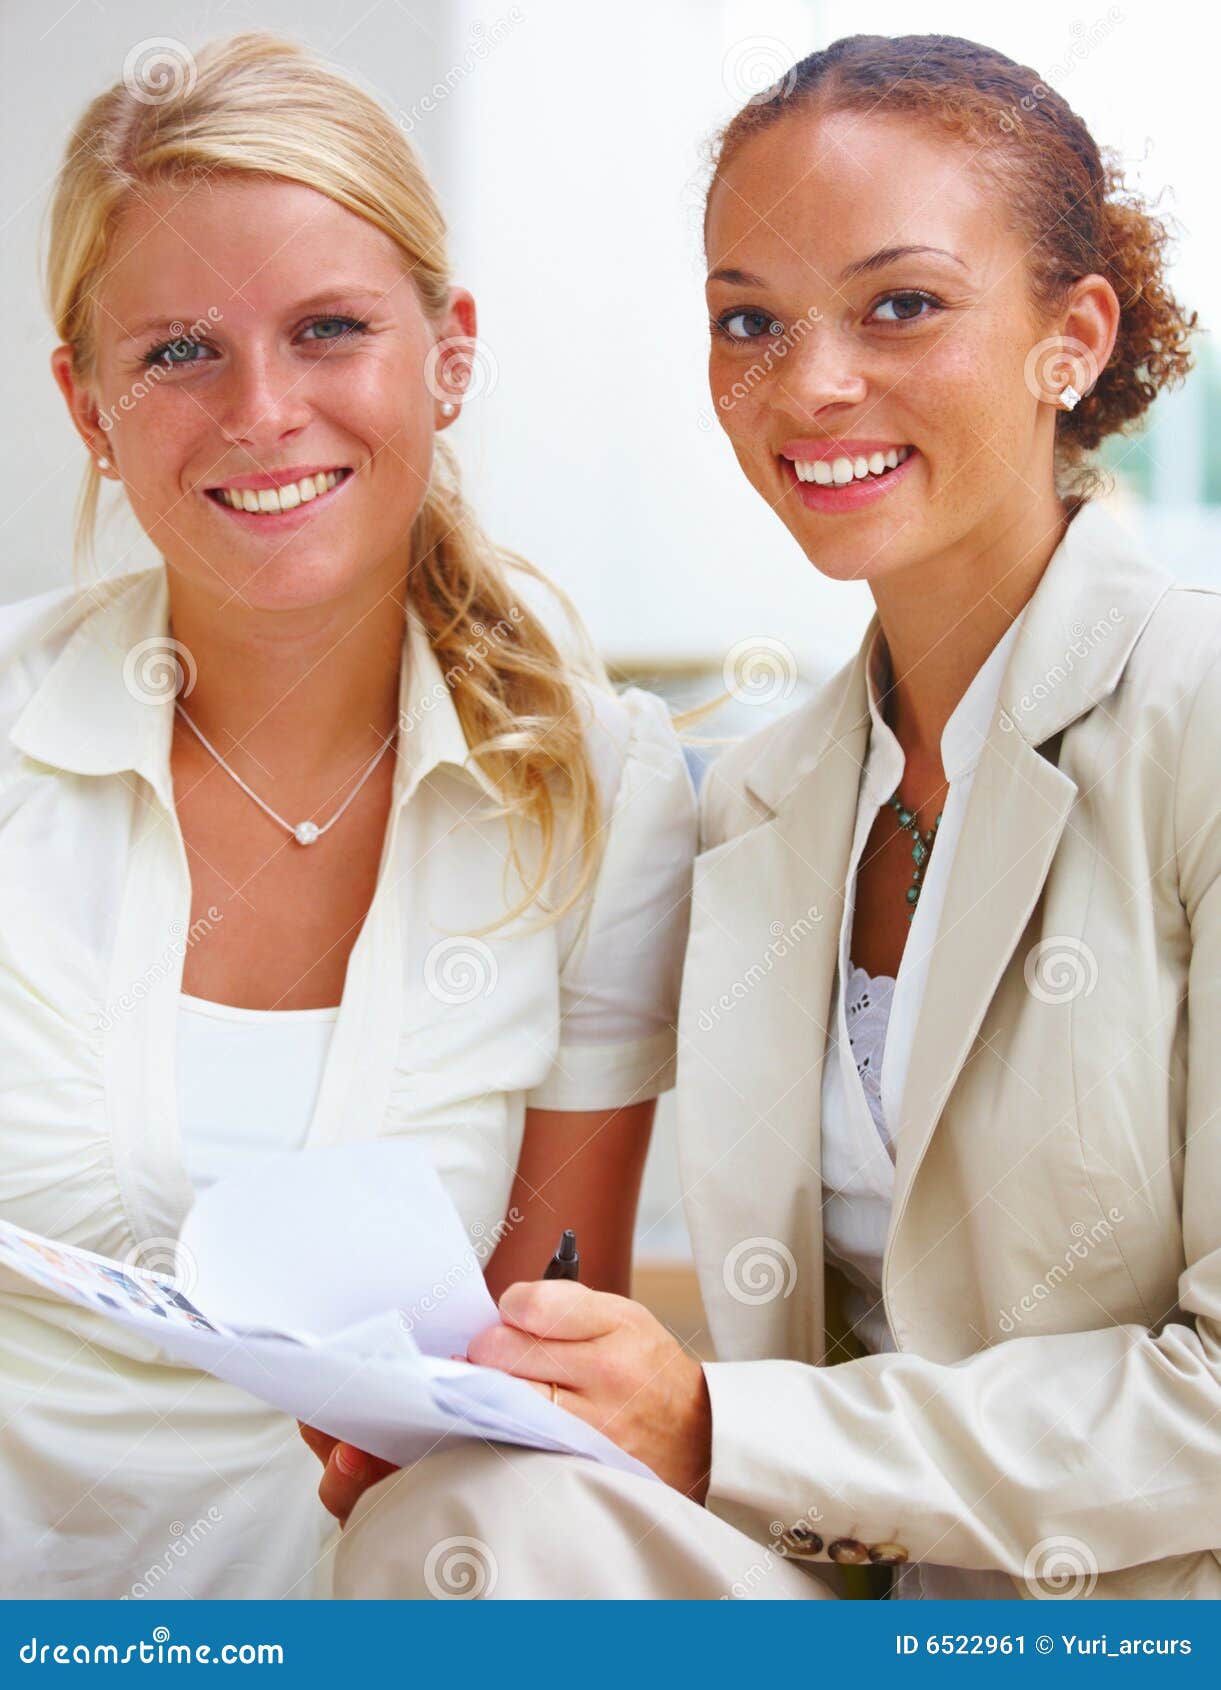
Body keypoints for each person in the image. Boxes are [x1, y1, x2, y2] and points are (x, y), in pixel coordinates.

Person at [328, 34, 1221, 1601]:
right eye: (750, 320)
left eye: (901, 305)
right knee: (456, 1519)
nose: (809, 383)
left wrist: (716, 1423)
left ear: (1069, 336)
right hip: (871, 1606)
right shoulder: (754, 797)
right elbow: (807, 1371)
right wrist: (526, 1403)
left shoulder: (1196, 720)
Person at [0, 32, 695, 1599]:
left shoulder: (599, 789)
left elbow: (538, 1383)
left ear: (446, 353)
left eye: (329, 330)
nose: (263, 411)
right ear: (84, 399)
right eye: (178, 350)